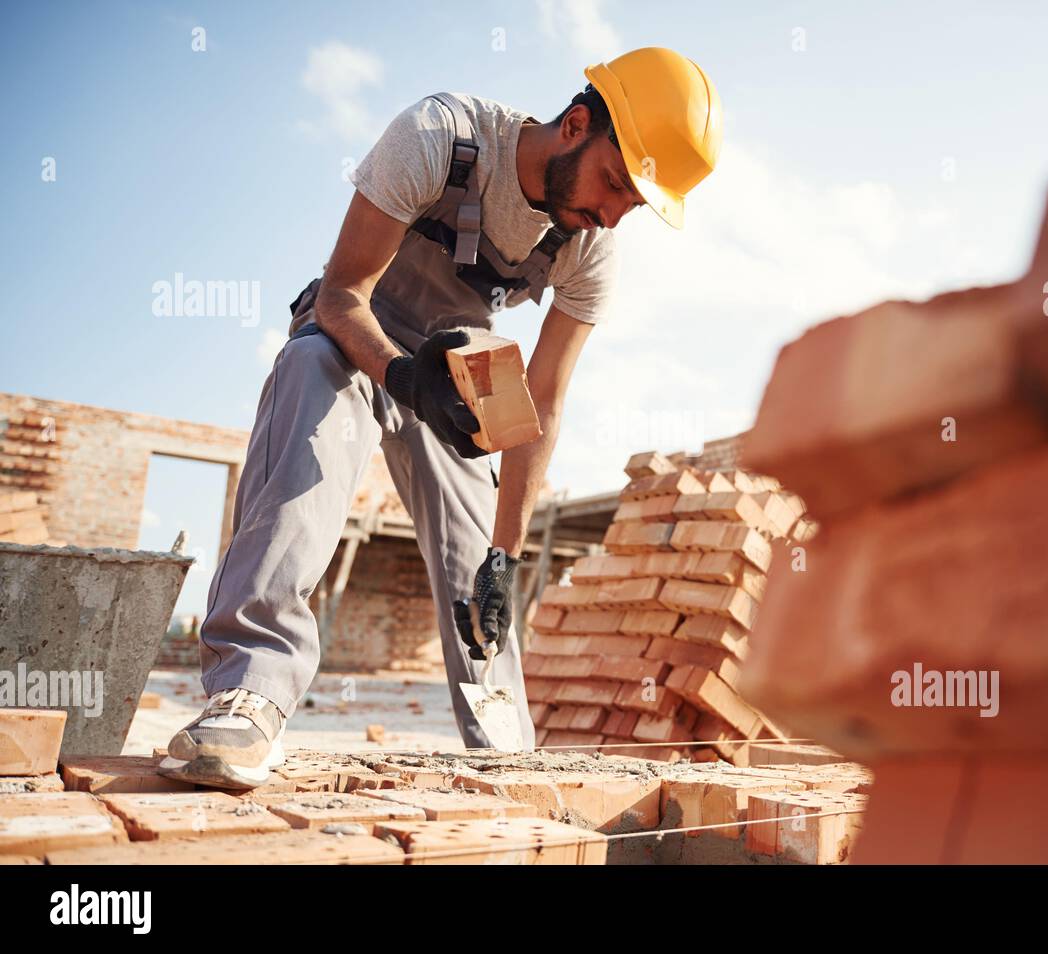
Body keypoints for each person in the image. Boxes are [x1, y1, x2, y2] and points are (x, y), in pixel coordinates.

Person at [159, 47, 723, 788]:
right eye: (614, 183)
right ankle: (249, 695)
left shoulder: (587, 245)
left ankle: (504, 746)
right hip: (358, 336)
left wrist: (508, 555)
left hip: (458, 379)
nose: (612, 214)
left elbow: (544, 402)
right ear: (575, 125)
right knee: (306, 381)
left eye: (632, 205)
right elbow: (339, 298)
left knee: (479, 575)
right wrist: (399, 377)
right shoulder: (440, 139)